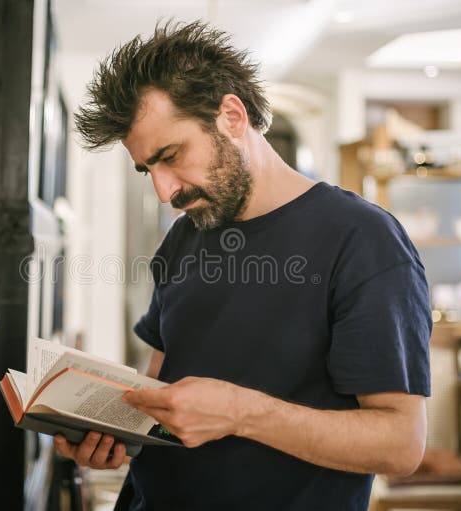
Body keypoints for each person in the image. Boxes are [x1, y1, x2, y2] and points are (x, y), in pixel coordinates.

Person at [55, 21, 432, 510]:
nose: (165, 191)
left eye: (171, 156)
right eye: (149, 169)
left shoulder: (364, 240)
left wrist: (241, 413)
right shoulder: (184, 237)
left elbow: (401, 444)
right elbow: (160, 389)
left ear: (231, 115)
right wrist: (116, 435)